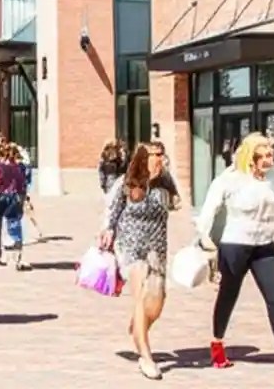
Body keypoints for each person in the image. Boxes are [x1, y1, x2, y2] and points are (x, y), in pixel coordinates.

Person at [196, 133, 274, 386]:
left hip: (264, 247)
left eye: (270, 154)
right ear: (251, 158)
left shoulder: (269, 181)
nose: (269, 159)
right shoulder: (229, 181)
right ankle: (217, 342)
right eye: (264, 156)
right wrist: (207, 245)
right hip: (235, 247)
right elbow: (207, 214)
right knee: (228, 296)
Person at [99, 141, 180, 381]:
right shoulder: (126, 183)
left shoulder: (165, 181)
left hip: (157, 247)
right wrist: (107, 230)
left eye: (162, 155)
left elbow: (176, 204)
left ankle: (138, 324)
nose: (160, 159)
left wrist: (164, 184)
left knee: (157, 302)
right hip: (131, 247)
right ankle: (145, 355)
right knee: (142, 292)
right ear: (144, 157)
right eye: (156, 155)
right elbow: (112, 210)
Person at [0, 137, 28, 267]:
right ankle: (17, 256)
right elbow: (22, 186)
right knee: (15, 225)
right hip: (13, 198)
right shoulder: (18, 168)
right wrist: (23, 199)